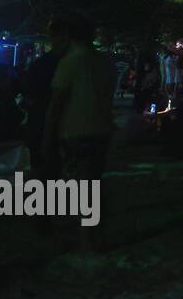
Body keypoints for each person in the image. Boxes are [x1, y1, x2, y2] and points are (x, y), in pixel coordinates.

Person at [44, 16, 116, 181]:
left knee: (76, 184)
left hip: (75, 133)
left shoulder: (70, 61)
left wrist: (47, 139)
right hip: (102, 131)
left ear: (68, 35)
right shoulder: (106, 62)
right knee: (93, 181)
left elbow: (56, 103)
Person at [23, 20, 70, 179]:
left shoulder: (41, 64)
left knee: (42, 168)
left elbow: (29, 95)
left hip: (41, 122)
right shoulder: (74, 63)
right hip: (65, 124)